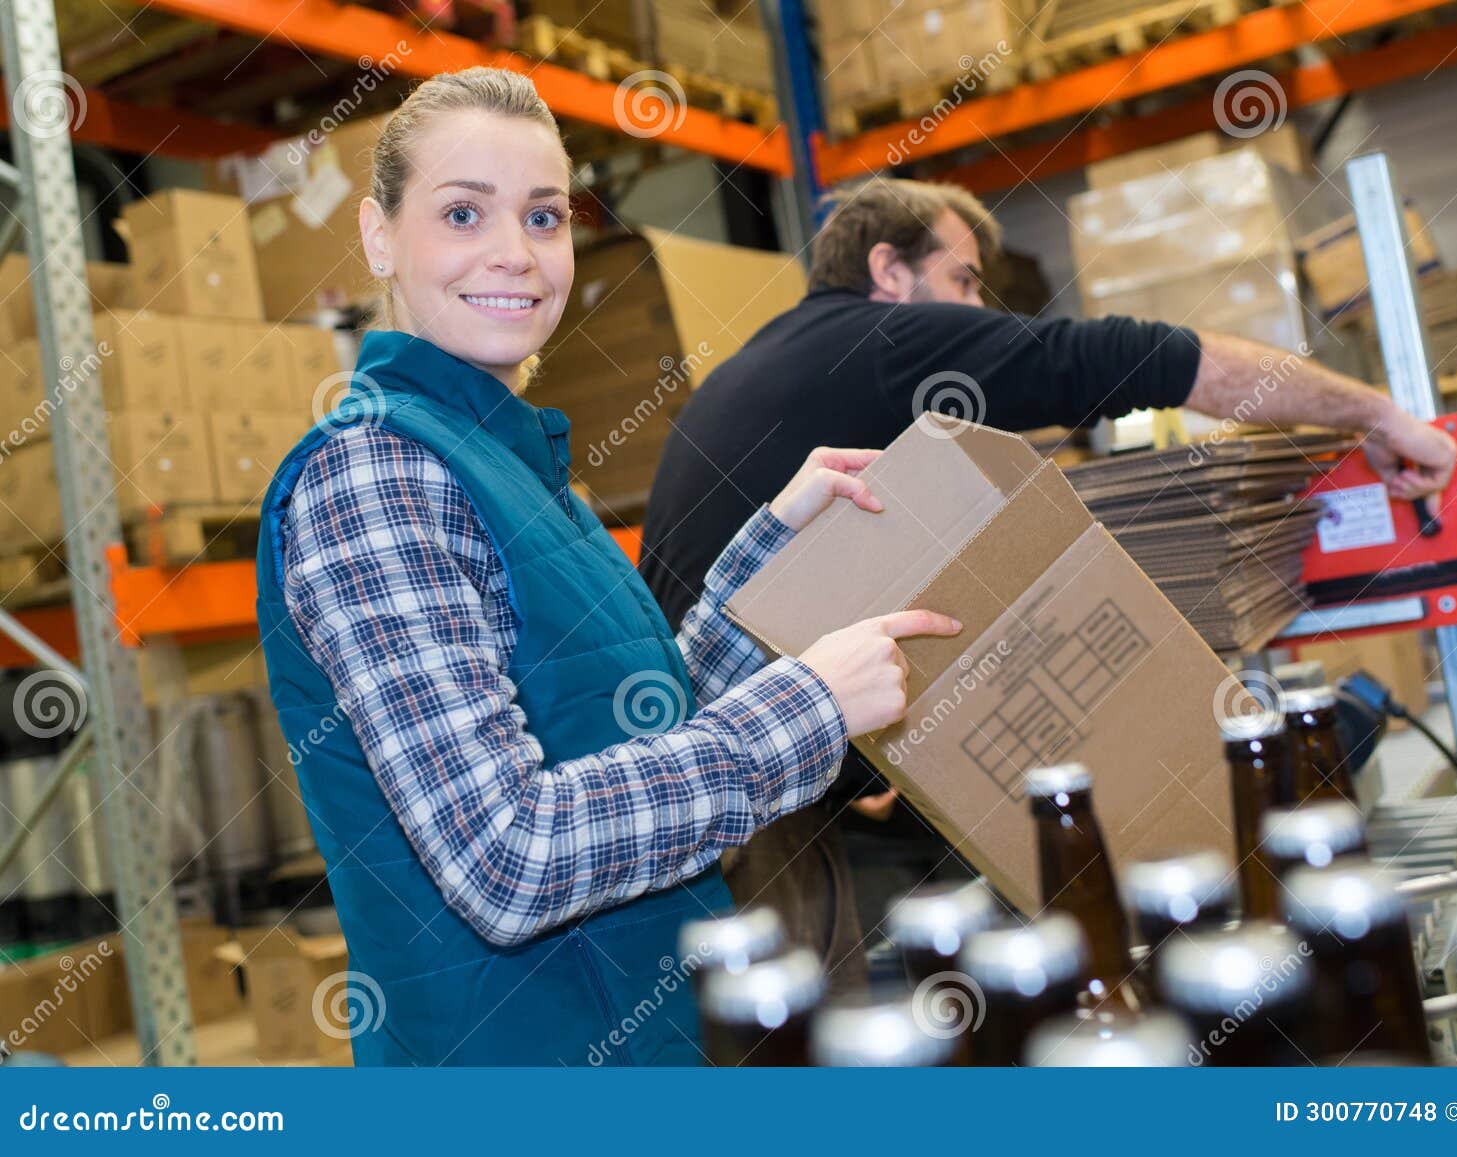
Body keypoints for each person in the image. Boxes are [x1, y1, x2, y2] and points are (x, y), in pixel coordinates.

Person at [254, 69, 961, 1066]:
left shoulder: (514, 464)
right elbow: (509, 856)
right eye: (463, 213)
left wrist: (773, 542)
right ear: (378, 236)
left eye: (544, 217)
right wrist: (806, 706)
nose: (516, 253)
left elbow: (639, 719)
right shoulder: (373, 472)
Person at [637, 176, 1457, 974]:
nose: (976, 310)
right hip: (733, 804)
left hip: (706, 771)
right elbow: (1134, 359)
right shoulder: (888, 341)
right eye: (961, 279)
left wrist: (856, 763)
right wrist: (1378, 416)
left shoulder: (770, 366)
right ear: (889, 271)